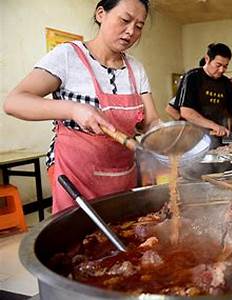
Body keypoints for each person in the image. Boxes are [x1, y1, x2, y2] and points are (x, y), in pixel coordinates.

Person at [3, 0, 160, 214]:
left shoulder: (136, 69)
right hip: (76, 176)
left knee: (124, 232)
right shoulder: (67, 56)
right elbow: (14, 102)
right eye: (125, 20)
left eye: (139, 26)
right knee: (79, 239)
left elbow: (150, 122)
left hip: (124, 174)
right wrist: (73, 109)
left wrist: (166, 136)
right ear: (101, 14)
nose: (131, 31)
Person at [175, 43, 232, 139]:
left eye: (225, 66)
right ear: (207, 59)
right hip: (191, 138)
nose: (221, 70)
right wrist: (214, 125)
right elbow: (186, 112)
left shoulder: (226, 83)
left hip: (215, 138)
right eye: (218, 65)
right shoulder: (192, 77)